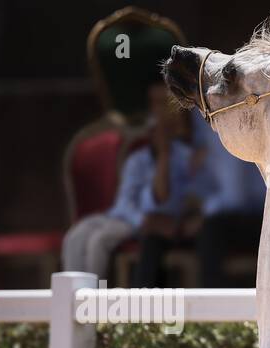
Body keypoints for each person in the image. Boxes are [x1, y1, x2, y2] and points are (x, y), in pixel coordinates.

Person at [61, 82, 200, 282]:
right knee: (76, 234)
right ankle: (71, 298)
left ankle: (89, 301)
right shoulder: (138, 159)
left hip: (151, 224)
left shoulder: (184, 158)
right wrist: (139, 219)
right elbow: (124, 200)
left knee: (98, 241)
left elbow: (169, 202)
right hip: (128, 217)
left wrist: (164, 155)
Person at [189, 114, 266, 287]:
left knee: (211, 229)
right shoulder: (200, 137)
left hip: (258, 215)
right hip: (230, 217)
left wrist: (203, 211)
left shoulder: (231, 125)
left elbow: (235, 195)